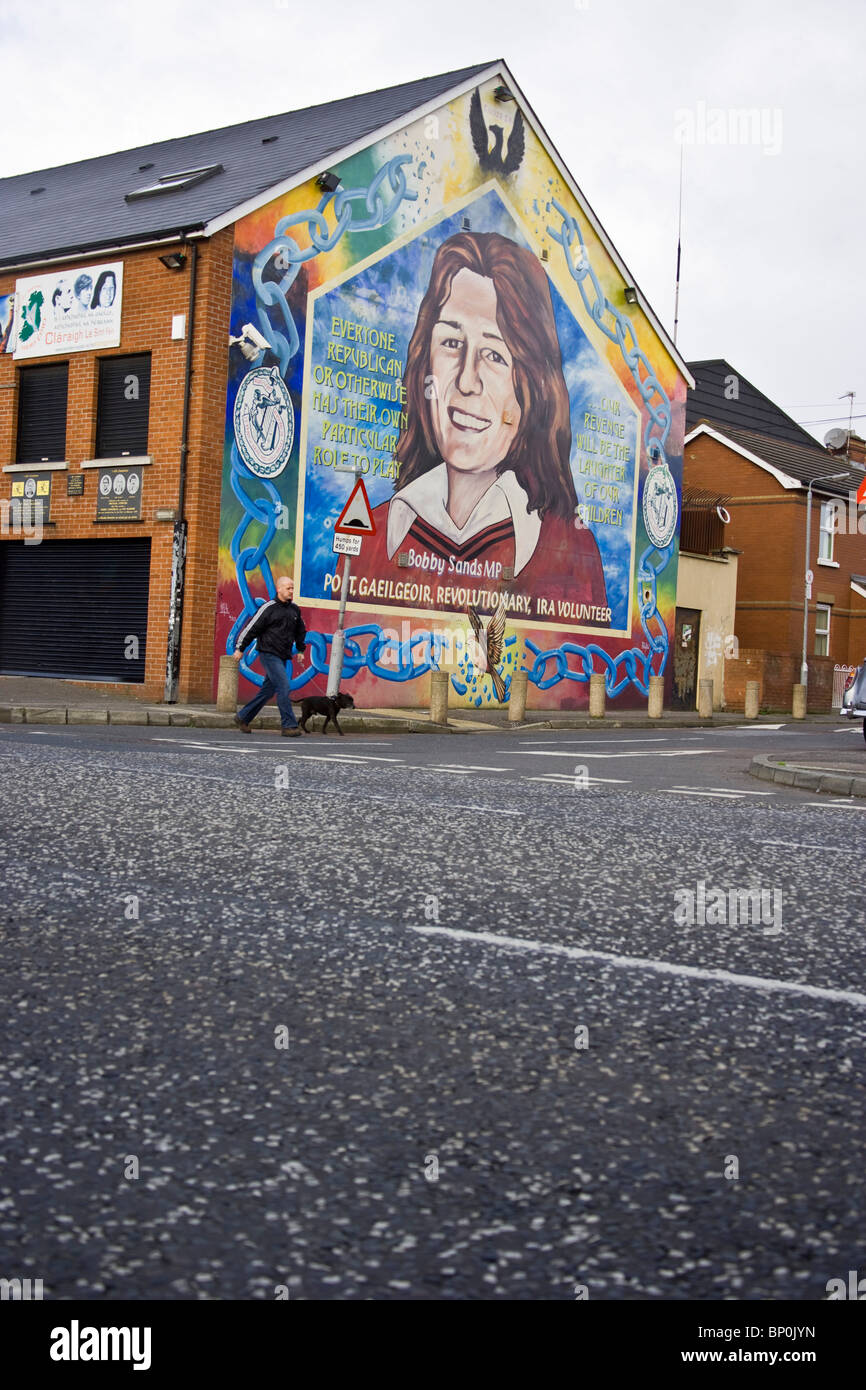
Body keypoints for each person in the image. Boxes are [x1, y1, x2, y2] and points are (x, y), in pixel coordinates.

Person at [337, 229, 607, 615]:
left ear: (531, 386)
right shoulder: (375, 537)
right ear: (424, 363)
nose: (466, 380)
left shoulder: (568, 550)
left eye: (495, 355)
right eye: (450, 343)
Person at [232, 575, 306, 735]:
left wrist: (300, 650)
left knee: (268, 690)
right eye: (288, 588)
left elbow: (300, 631)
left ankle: (243, 717)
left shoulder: (294, 610)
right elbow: (251, 628)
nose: (291, 591)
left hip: (283, 655)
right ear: (279, 589)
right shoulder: (268, 608)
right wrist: (240, 648)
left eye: (292, 588)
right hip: (268, 653)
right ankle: (289, 725)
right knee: (284, 686)